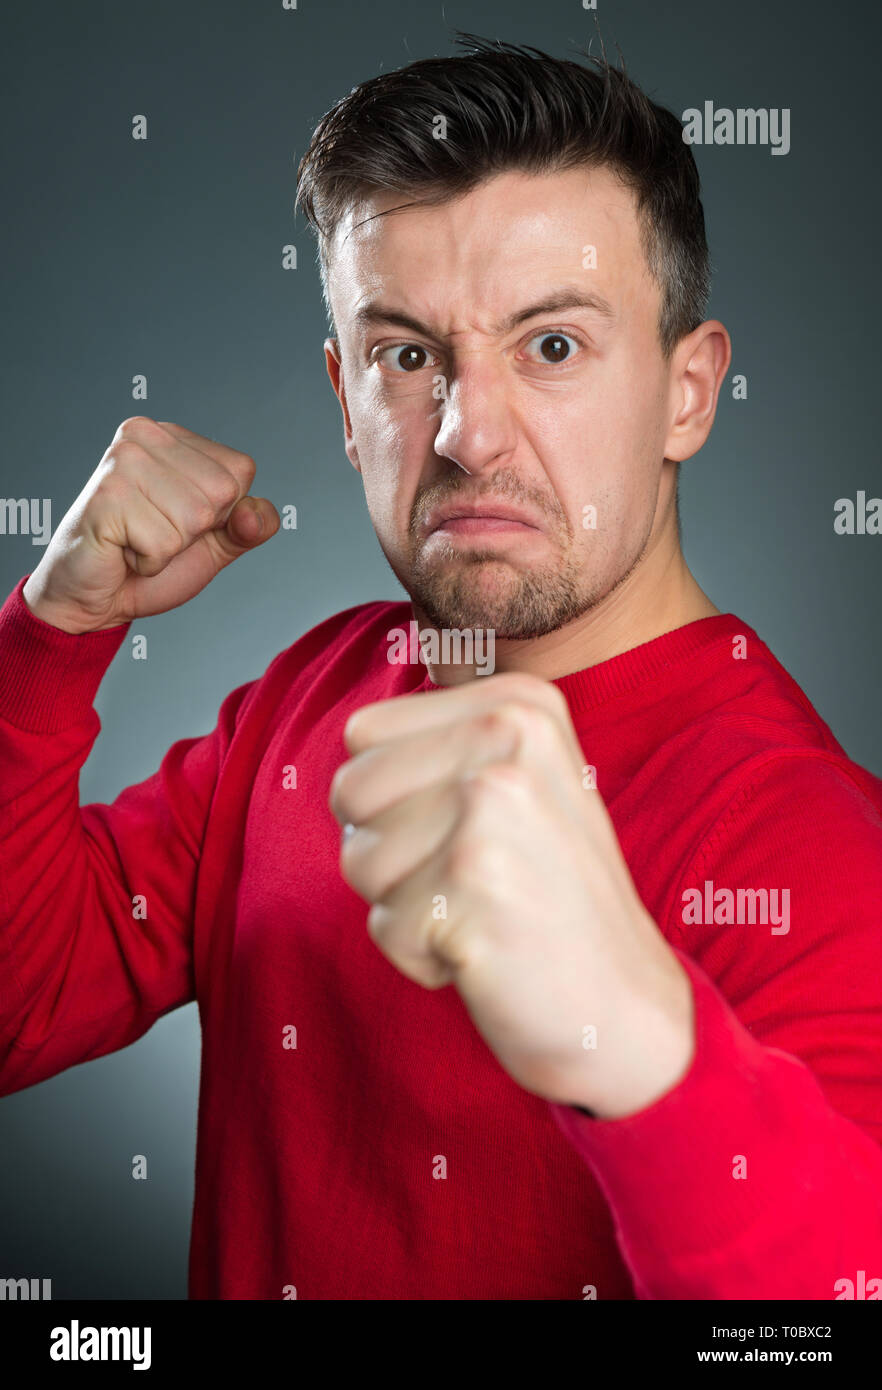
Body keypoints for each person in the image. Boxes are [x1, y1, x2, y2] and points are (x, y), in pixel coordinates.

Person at [2, 33, 881, 1302]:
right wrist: (53, 635)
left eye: (554, 346)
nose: (468, 435)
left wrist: (646, 1046)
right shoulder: (309, 698)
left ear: (689, 393)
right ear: (343, 394)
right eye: (408, 355)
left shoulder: (804, 845)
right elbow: (19, 1001)